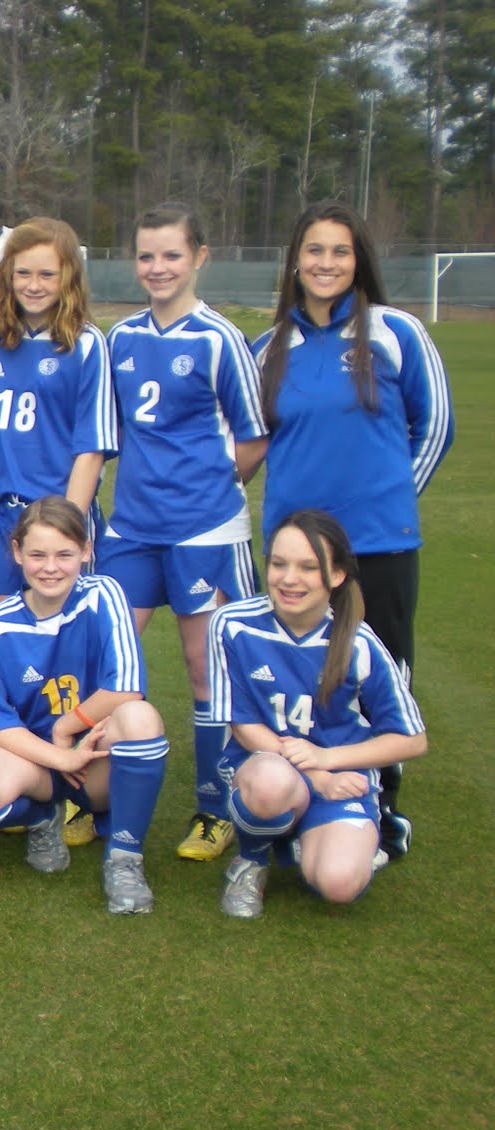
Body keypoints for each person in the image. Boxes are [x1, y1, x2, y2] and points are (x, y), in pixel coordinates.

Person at [253, 201, 452, 861]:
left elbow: (436, 426)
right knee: (294, 677)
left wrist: (390, 501)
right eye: (314, 251)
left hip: (378, 545)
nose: (326, 263)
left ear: (358, 260)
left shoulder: (394, 332)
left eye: (339, 251)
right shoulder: (268, 347)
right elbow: (248, 444)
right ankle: (298, 802)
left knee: (380, 678)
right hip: (291, 556)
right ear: (295, 262)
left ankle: (382, 811)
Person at [102, 204, 268, 864]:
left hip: (204, 529)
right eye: (146, 256)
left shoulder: (219, 338)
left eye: (171, 254)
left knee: (207, 668)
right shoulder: (120, 338)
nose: (158, 268)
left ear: (199, 256)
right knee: (109, 660)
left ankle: (213, 805)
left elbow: (254, 438)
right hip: (132, 528)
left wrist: (208, 492)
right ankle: (91, 795)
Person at [0, 497, 170, 914]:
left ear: (86, 551)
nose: (50, 567)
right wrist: (57, 756)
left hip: (97, 758)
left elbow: (126, 690)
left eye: (64, 554)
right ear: (17, 553)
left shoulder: (103, 595)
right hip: (39, 765)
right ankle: (41, 819)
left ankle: (125, 859)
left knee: (140, 719)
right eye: (37, 554)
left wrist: (70, 725)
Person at [209, 510, 427, 918]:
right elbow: (241, 723)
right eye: (279, 564)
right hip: (264, 768)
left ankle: (300, 836)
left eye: (309, 567)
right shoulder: (233, 624)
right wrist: (315, 776)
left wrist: (328, 761)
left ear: (338, 574)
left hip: (339, 777)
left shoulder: (359, 642)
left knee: (339, 884)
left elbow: (411, 740)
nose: (289, 579)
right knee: (272, 782)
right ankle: (252, 860)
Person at [0, 218, 116, 608]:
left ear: (68, 277)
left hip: (57, 514)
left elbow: (91, 448)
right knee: (6, 634)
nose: (34, 285)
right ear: (6, 275)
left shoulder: (86, 344)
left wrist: (67, 526)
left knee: (62, 640)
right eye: (23, 273)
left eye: (48, 274)